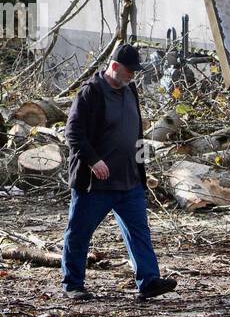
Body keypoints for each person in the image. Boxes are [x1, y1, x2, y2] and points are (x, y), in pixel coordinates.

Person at [61, 42, 176, 301]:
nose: (132, 75)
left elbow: (136, 130)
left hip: (129, 180)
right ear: (114, 66)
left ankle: (149, 281)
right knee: (79, 232)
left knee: (139, 232)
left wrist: (141, 163)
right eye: (129, 71)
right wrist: (93, 161)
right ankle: (73, 284)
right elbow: (73, 133)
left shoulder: (130, 89)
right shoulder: (90, 92)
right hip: (95, 184)